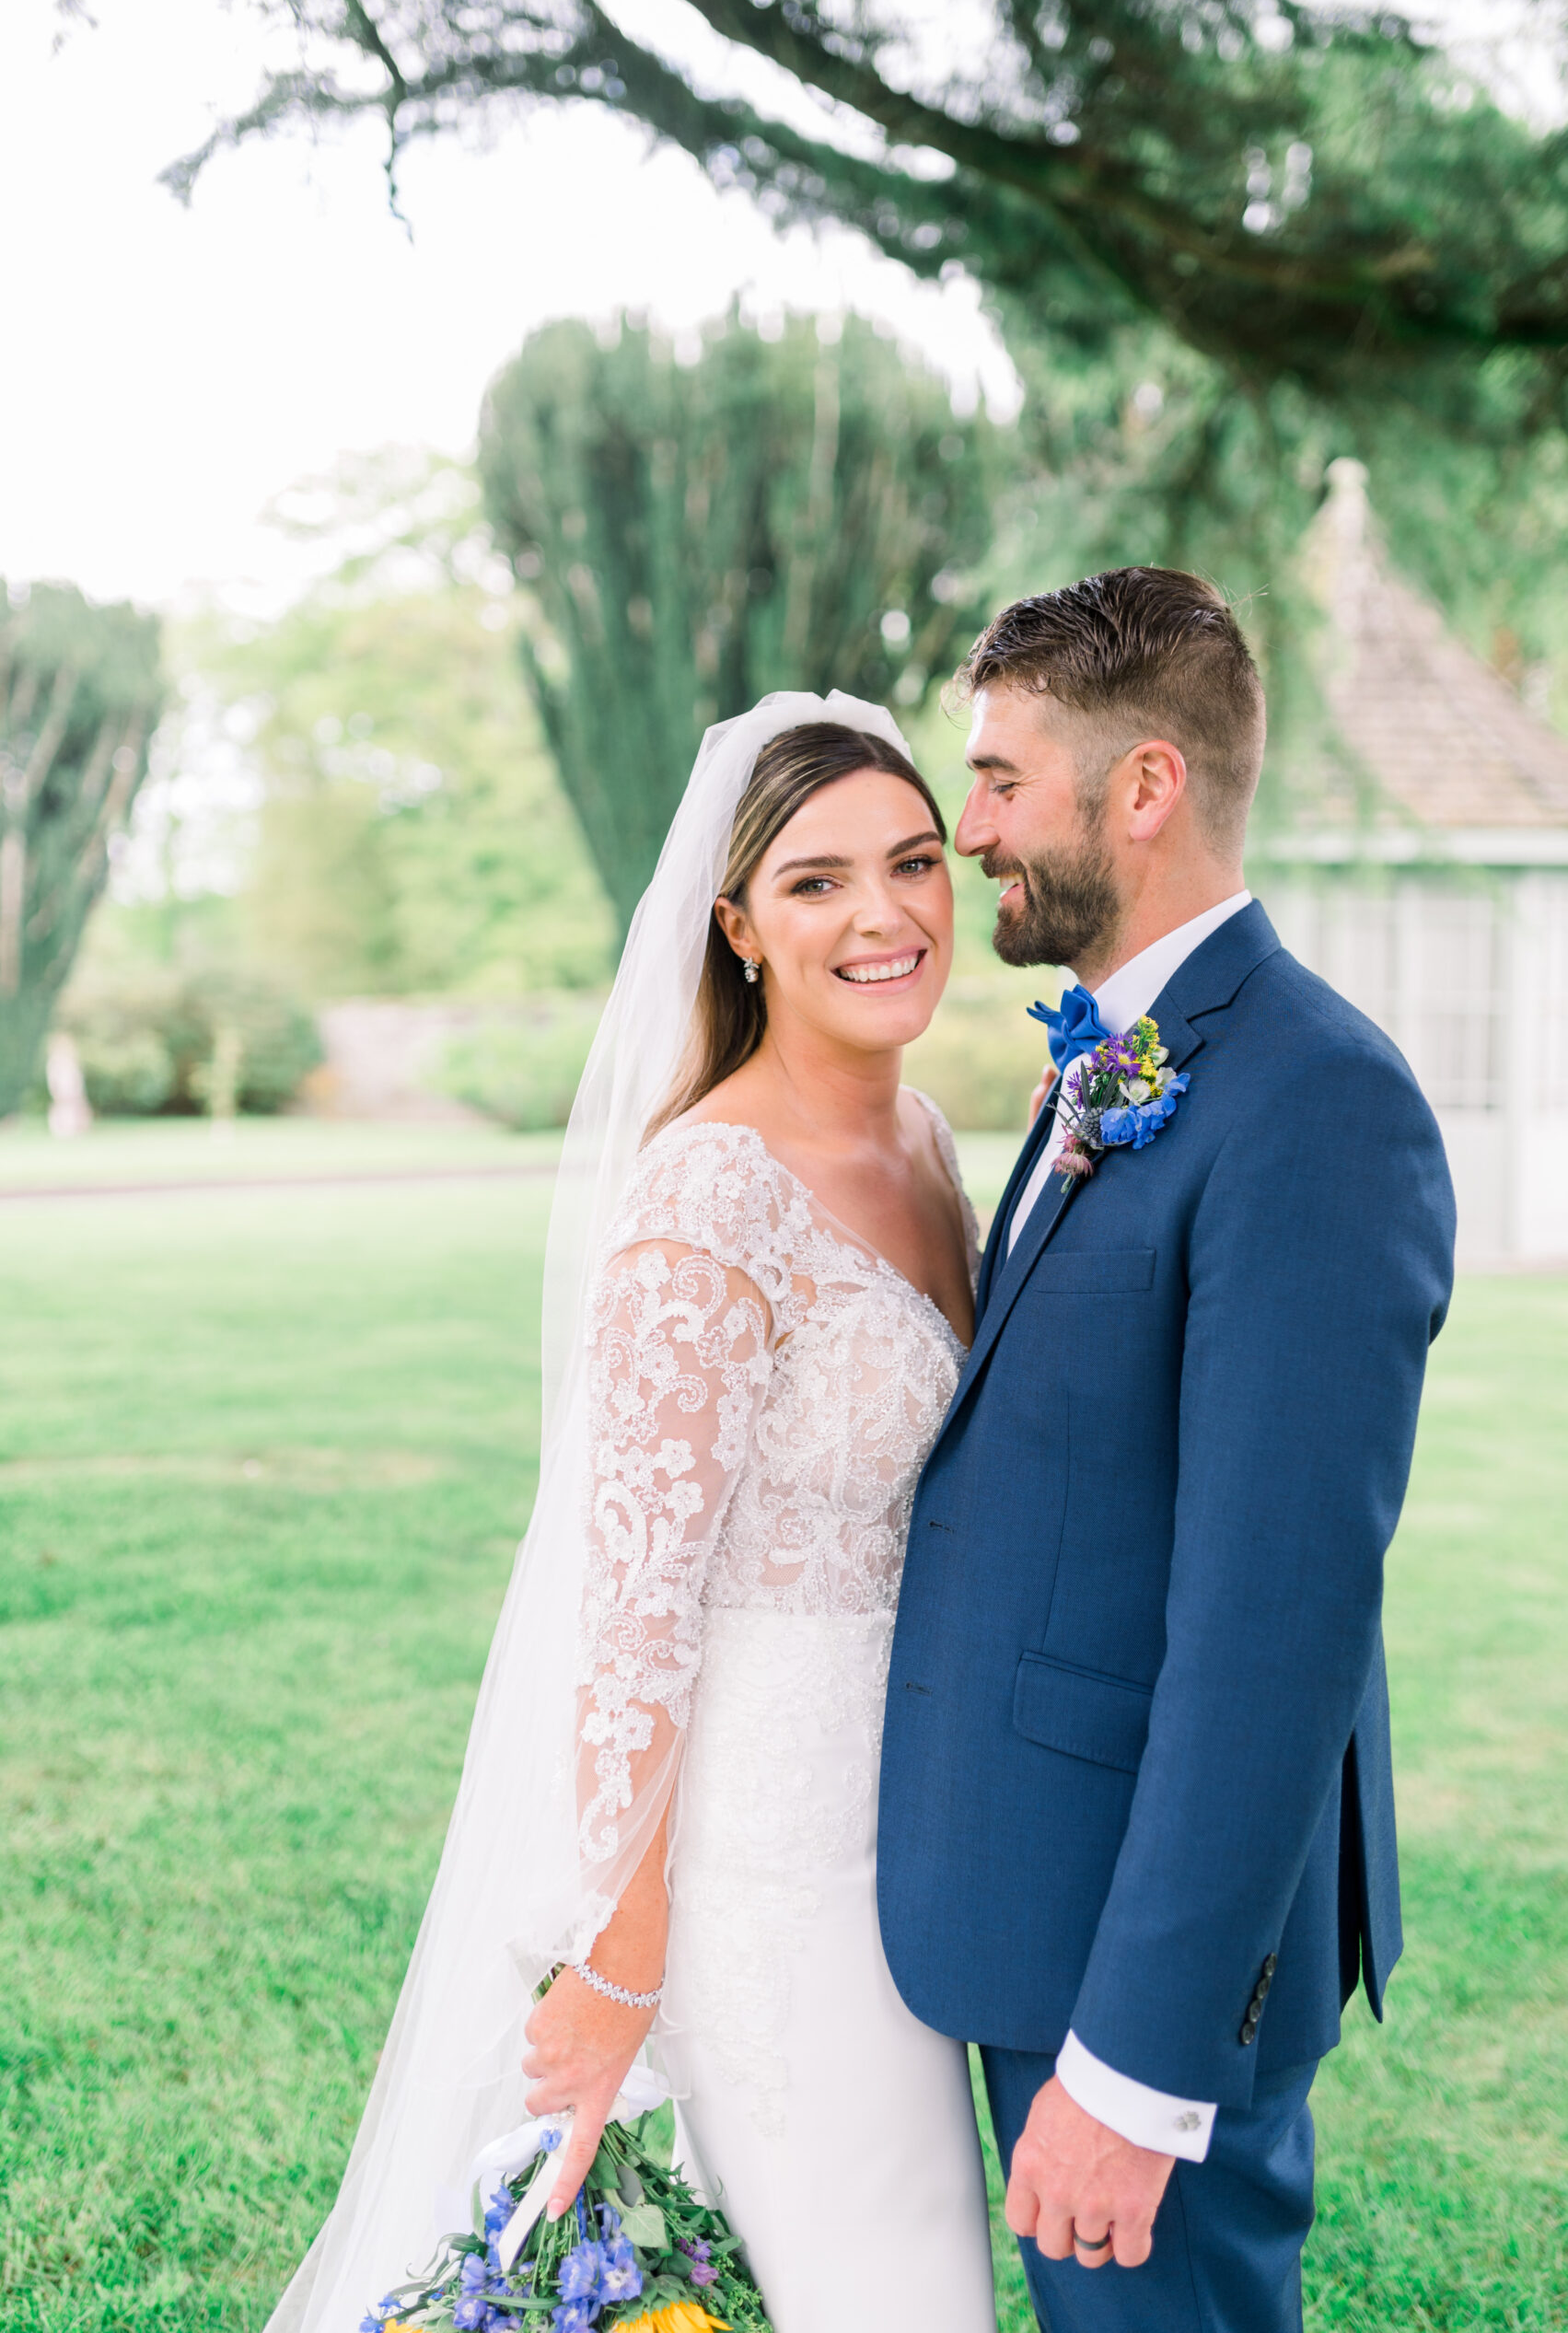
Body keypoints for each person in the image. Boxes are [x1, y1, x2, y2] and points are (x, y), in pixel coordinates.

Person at [263, 692, 994, 2333]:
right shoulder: (706, 1194)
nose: (882, 913)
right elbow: (634, 1616)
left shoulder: (931, 1143)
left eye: (914, 862)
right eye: (815, 883)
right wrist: (619, 1966)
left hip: (915, 1840)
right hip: (762, 1866)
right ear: (736, 928)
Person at [878, 569, 1458, 2332]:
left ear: (1145, 788)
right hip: (1034, 1886)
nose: (963, 828)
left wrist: (1133, 2069)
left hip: (1132, 1971)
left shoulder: (1319, 1106)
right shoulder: (1101, 1061)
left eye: (998, 779)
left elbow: (1271, 1633)